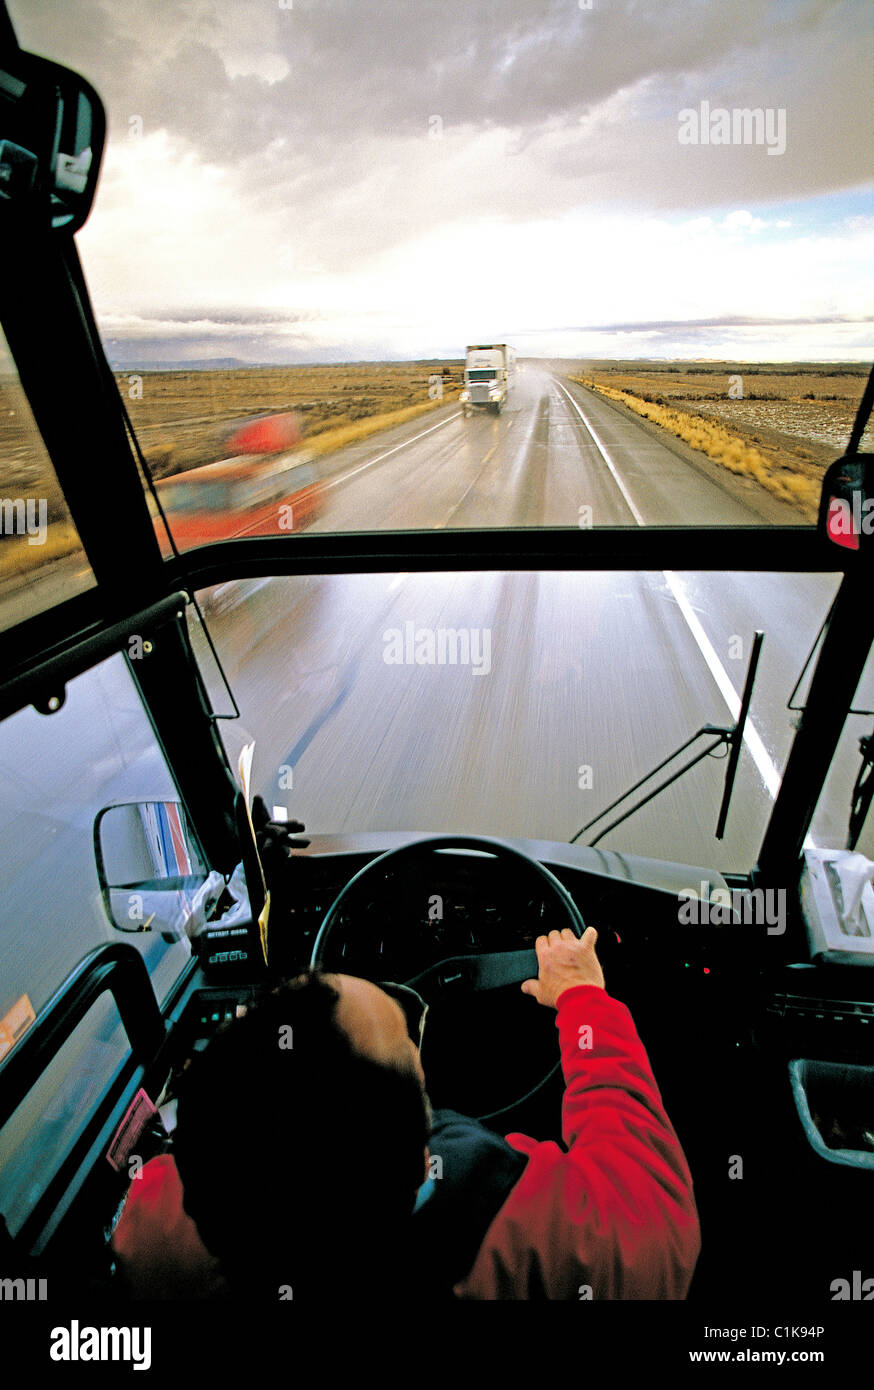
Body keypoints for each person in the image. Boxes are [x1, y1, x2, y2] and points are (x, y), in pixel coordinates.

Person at [111, 927, 701, 1300]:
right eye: (407, 1051)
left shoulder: (161, 1227)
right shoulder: (513, 1226)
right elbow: (655, 1223)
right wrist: (580, 998)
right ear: (421, 1160)